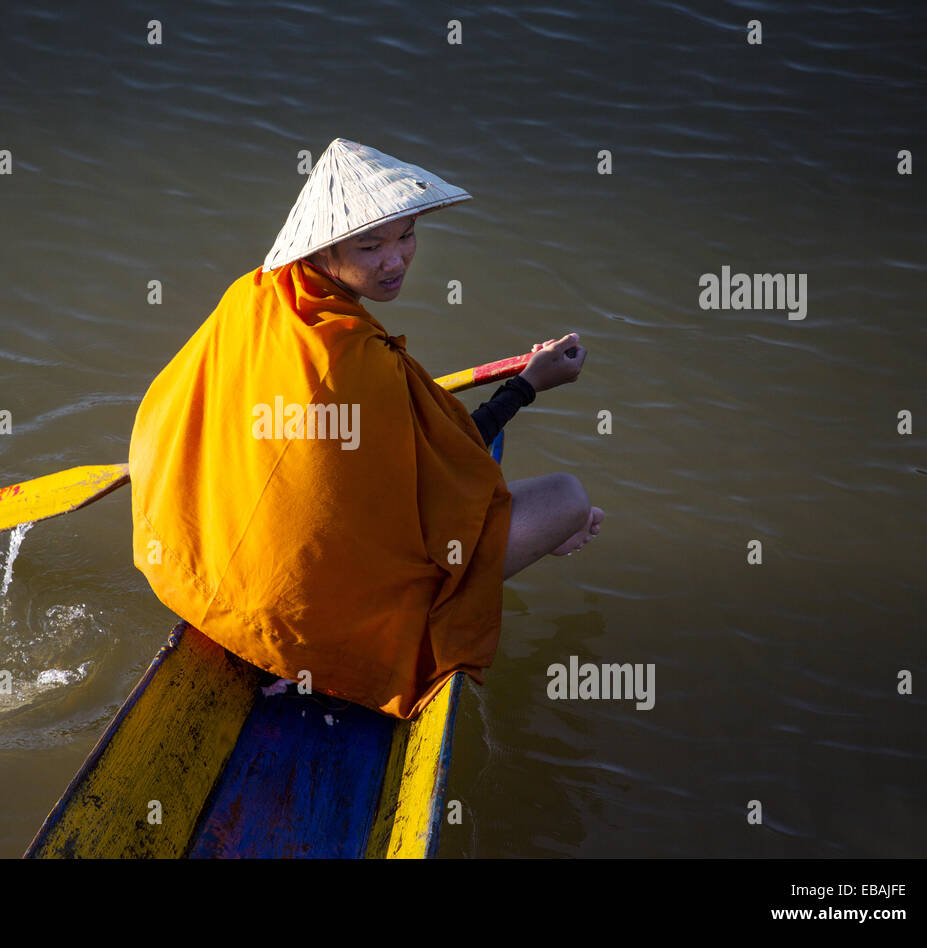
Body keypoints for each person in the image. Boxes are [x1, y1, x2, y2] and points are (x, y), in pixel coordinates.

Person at [129, 138, 603, 719]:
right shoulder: (361, 360)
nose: (396, 260)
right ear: (324, 247)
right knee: (567, 500)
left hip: (191, 573)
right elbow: (453, 469)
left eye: (406, 236)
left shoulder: (248, 297)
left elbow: (172, 411)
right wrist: (528, 386)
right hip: (295, 629)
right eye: (370, 244)